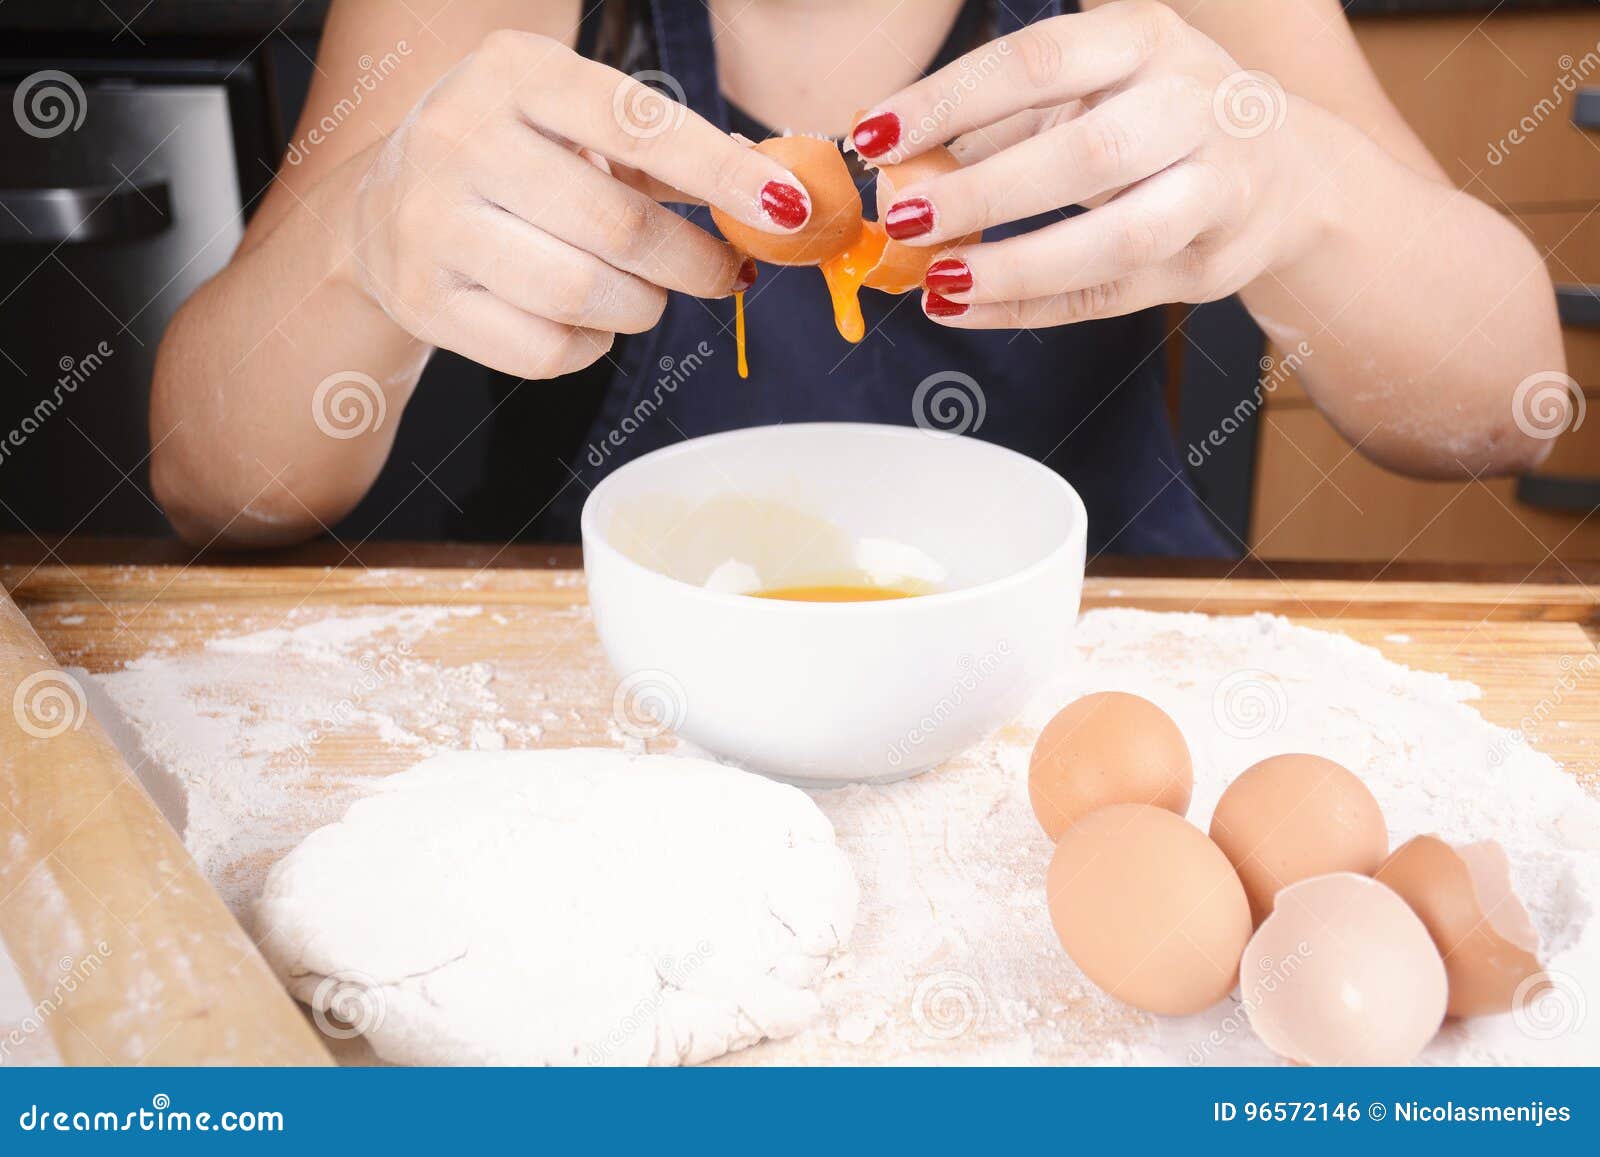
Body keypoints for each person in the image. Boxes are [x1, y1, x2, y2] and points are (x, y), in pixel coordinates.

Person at [149, 0, 1566, 556]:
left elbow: (1510, 403)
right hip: (620, 726)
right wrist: (361, 246)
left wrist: (1300, 187)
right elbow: (211, 476)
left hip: (1085, 709)